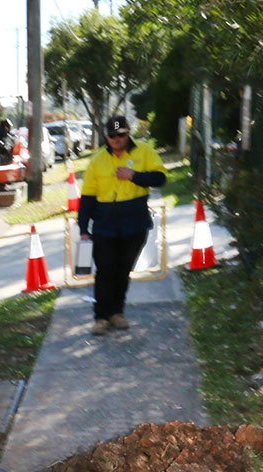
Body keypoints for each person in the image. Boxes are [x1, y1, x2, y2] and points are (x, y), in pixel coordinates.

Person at [78, 114, 168, 336]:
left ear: (128, 133)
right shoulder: (97, 160)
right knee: (105, 270)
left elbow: (160, 178)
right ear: (106, 137)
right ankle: (101, 317)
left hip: (134, 222)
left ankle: (117, 313)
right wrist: (83, 229)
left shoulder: (144, 152)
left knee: (123, 269)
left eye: (121, 135)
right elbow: (88, 197)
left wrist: (134, 176)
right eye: (112, 136)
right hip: (105, 224)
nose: (117, 139)